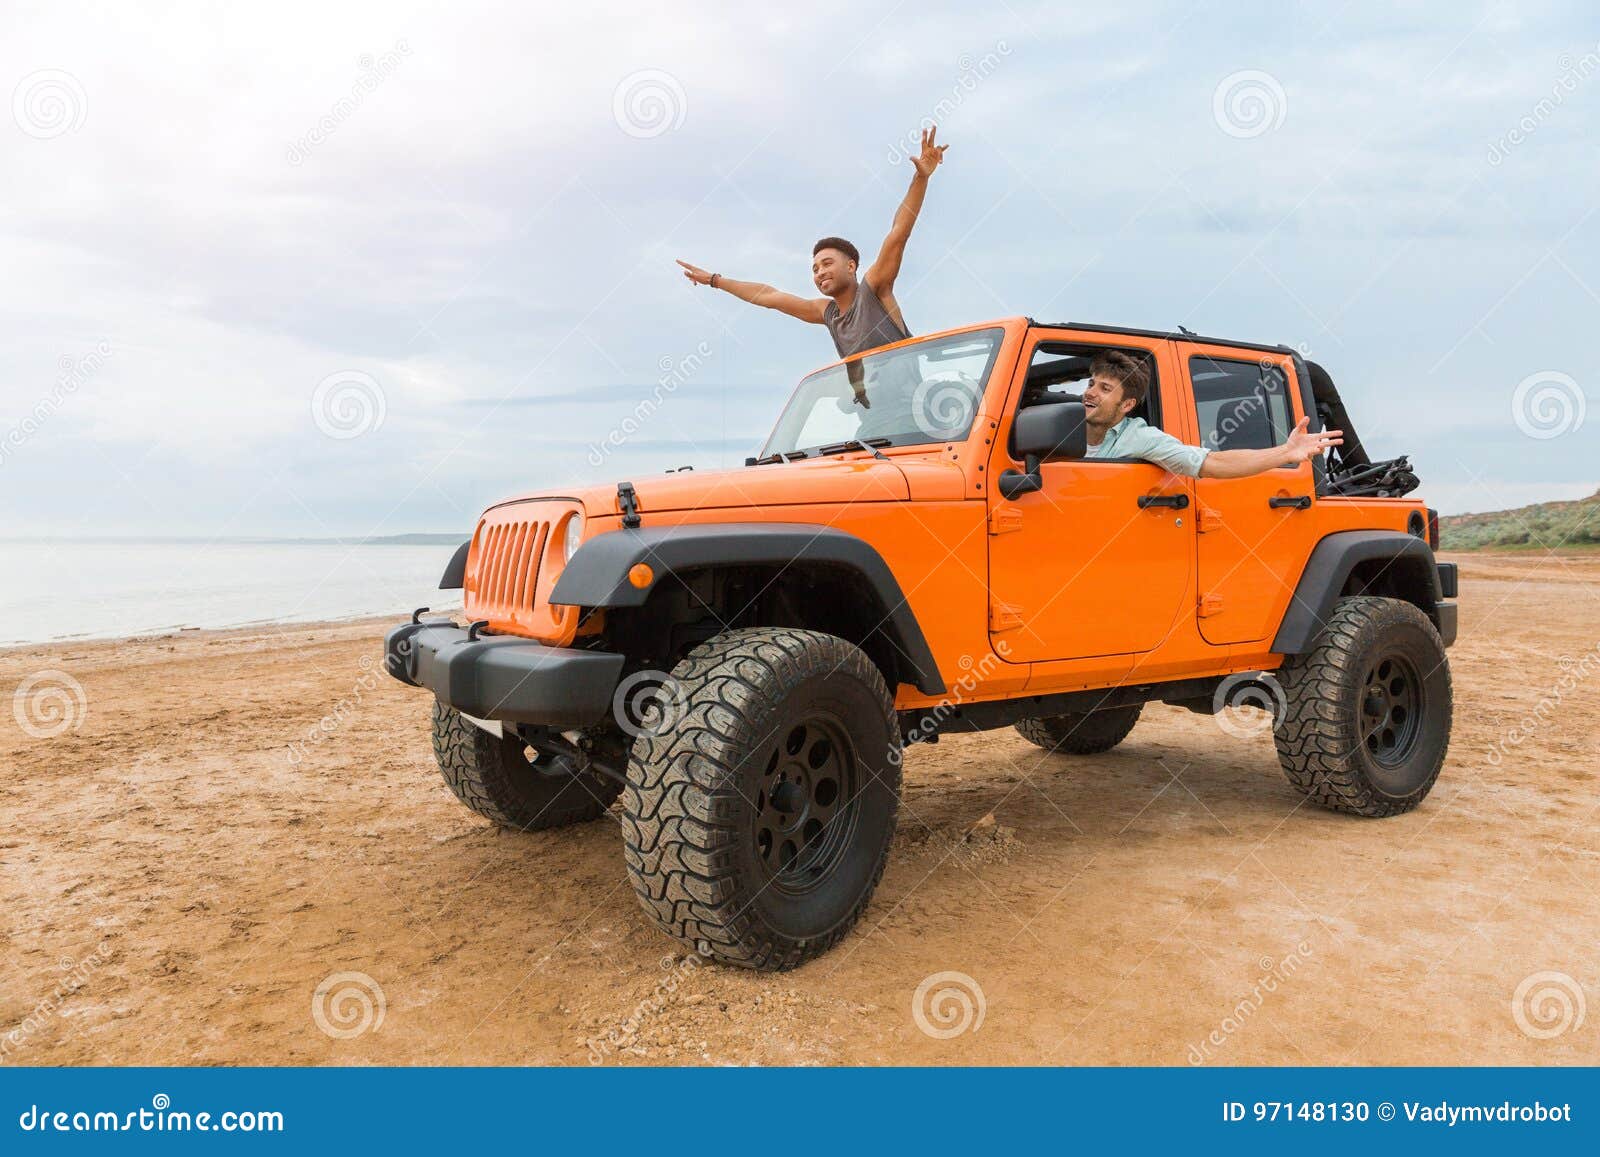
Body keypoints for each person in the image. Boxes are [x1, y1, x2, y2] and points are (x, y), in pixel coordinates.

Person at [675, 126, 948, 359]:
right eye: (815, 269)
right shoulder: (827, 313)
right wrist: (714, 280)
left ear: (851, 266)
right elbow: (768, 296)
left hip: (909, 412)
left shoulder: (874, 288)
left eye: (827, 263)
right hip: (874, 415)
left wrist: (920, 177)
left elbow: (898, 233)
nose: (820, 272)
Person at [1079, 351, 1342, 477]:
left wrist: (1285, 452)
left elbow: (1212, 463)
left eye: (1105, 388)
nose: (1091, 392)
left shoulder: (1138, 438)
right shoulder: (1059, 428)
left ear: (1126, 405)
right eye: (1091, 384)